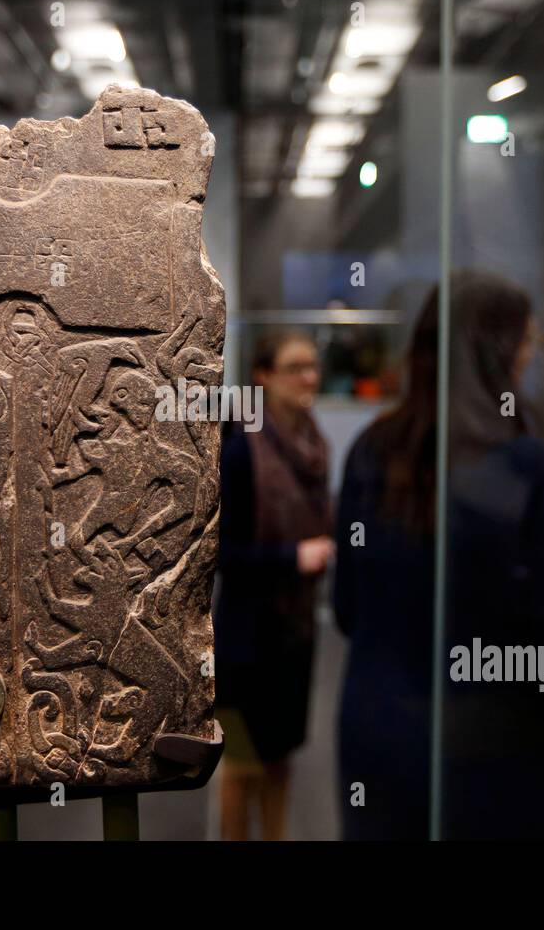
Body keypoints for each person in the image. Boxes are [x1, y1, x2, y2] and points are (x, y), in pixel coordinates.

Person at [334, 272, 544, 840]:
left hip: (378, 728)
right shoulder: (528, 467)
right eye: (527, 342)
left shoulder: (371, 451)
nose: (530, 358)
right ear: (497, 352)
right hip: (488, 745)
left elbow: (346, 606)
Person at [214, 330, 333, 840]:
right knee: (242, 768)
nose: (309, 376)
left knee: (281, 760)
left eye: (313, 366)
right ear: (263, 375)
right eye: (295, 367)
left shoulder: (312, 441)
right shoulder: (241, 448)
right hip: (246, 636)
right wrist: (294, 557)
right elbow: (220, 555)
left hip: (292, 632)